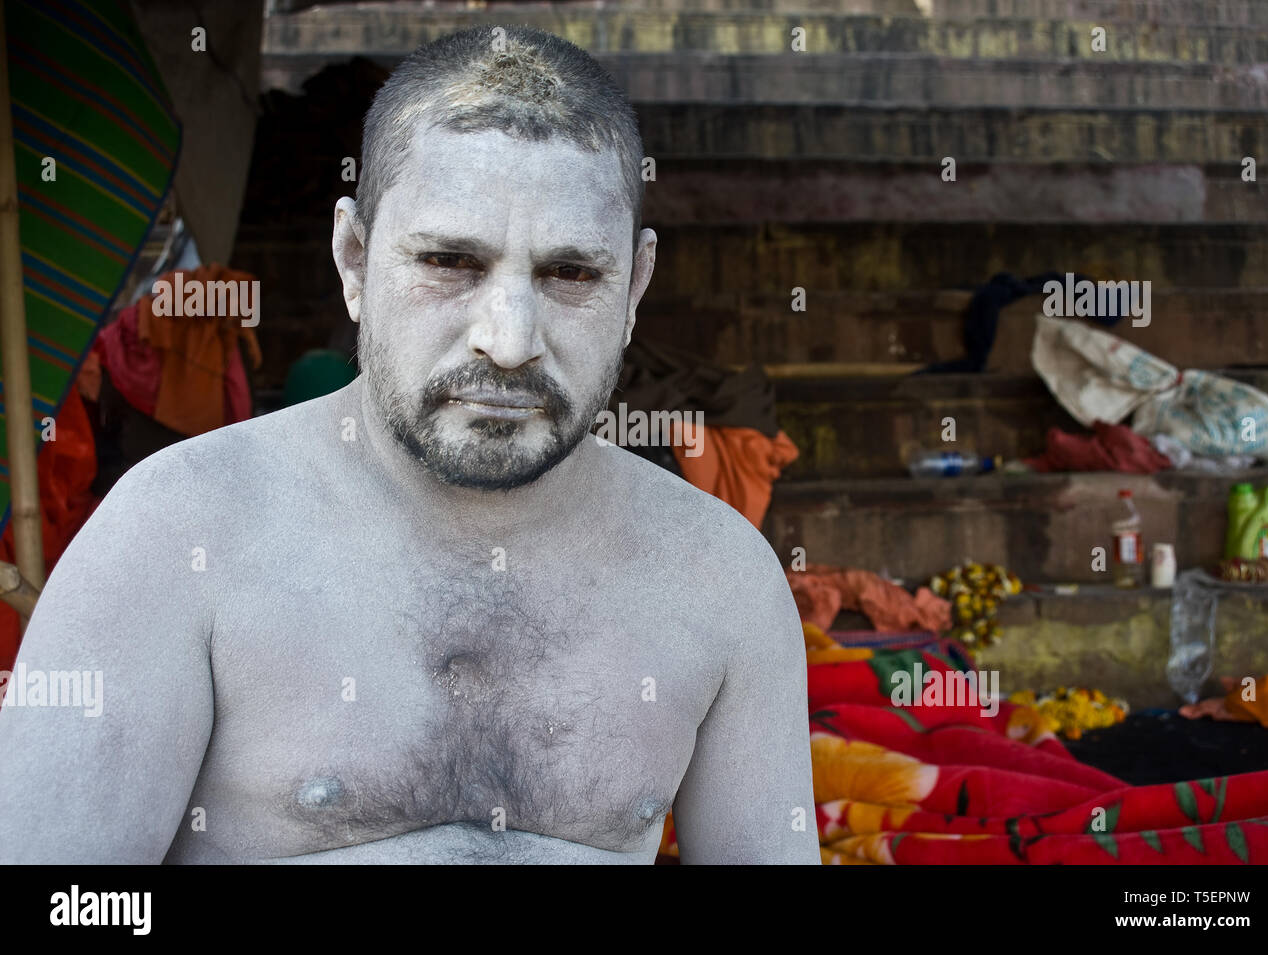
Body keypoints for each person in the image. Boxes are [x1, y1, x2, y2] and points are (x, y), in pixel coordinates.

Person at [0, 25, 817, 864]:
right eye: (451, 262)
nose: (509, 341)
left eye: (570, 274)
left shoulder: (722, 578)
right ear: (353, 259)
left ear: (635, 284)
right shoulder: (173, 536)